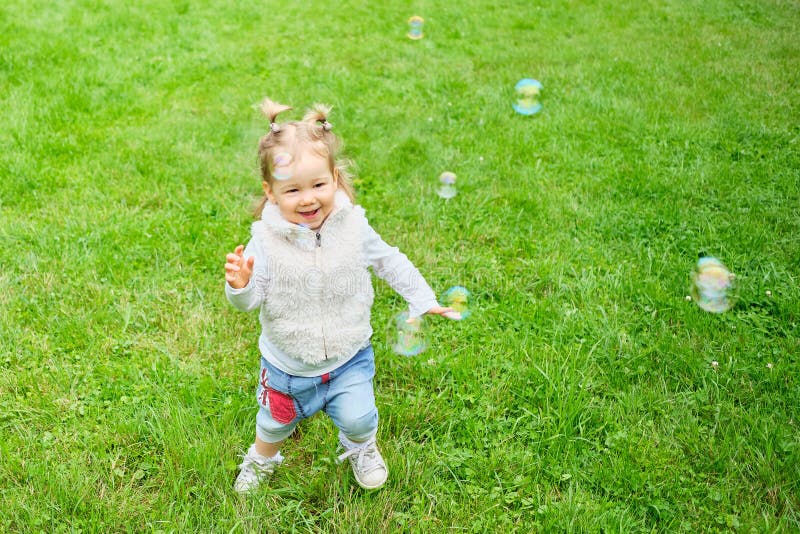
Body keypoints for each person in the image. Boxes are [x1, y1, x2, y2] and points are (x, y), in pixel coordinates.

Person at [224, 98, 456, 493]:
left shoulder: (353, 226)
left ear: (335, 177)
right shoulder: (263, 242)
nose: (308, 198)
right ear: (271, 191)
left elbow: (389, 261)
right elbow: (250, 303)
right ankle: (262, 458)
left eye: (318, 184)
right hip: (287, 364)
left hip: (349, 355)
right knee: (274, 422)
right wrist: (241, 285)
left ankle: (359, 446)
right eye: (293, 189)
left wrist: (422, 297)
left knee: (360, 417)